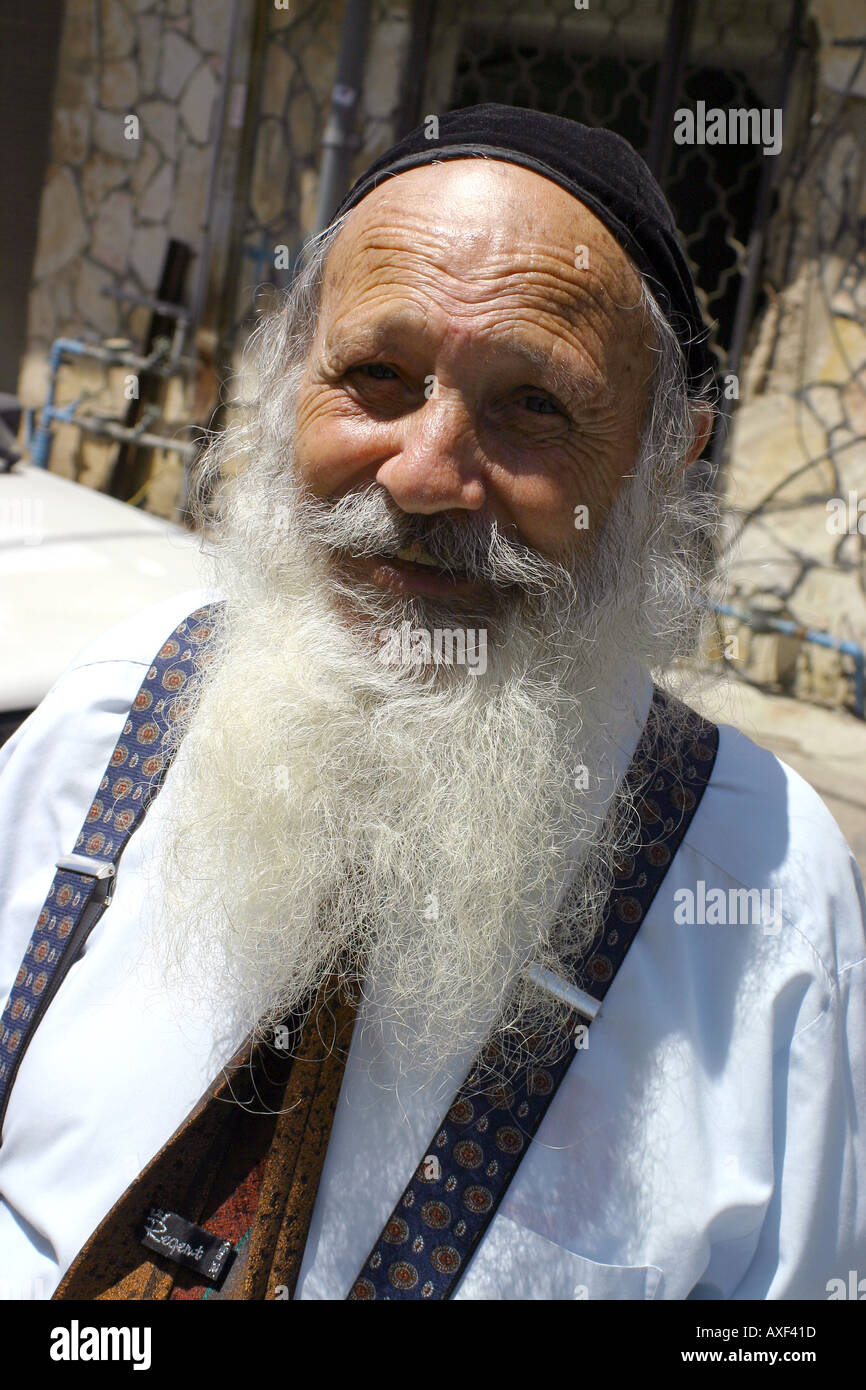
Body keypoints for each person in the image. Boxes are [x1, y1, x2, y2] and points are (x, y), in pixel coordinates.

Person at [0, 104, 863, 1301]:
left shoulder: (761, 889)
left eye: (532, 405)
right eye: (374, 376)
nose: (422, 471)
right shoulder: (115, 719)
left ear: (666, 459)